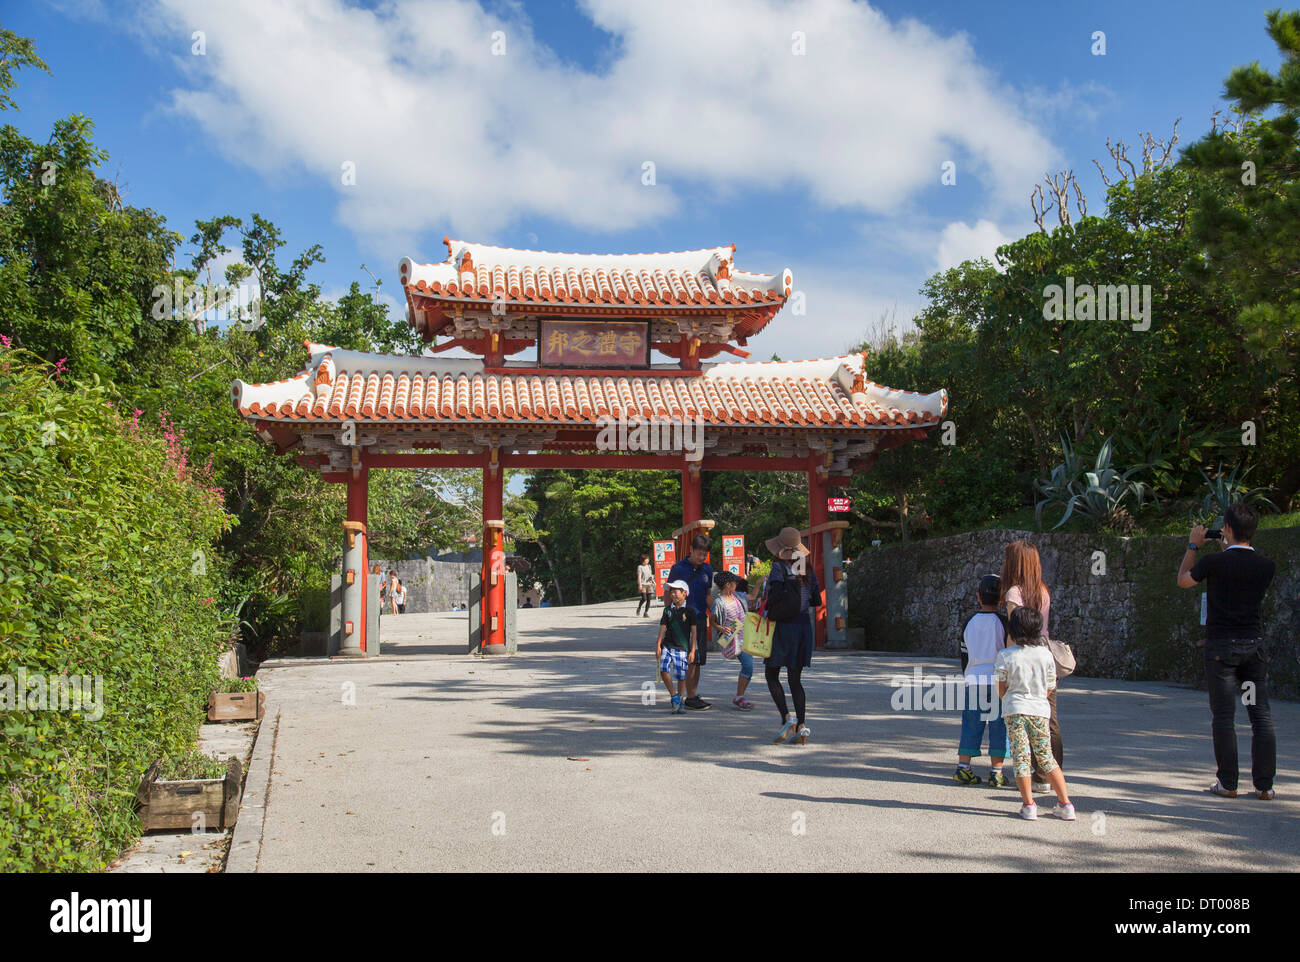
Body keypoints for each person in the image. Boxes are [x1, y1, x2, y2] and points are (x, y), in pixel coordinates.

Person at [1178, 502, 1277, 800]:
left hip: (1222, 652)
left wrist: (1193, 545)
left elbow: (1183, 580)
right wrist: (1229, 547)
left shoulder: (1213, 563)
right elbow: (1239, 570)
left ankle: (1228, 782)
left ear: (1228, 529)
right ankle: (1264, 785)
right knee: (1259, 715)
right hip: (1252, 652)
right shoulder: (1265, 566)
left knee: (1224, 716)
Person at [995, 606, 1075, 821]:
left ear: (1012, 630)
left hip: (1014, 710)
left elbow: (1001, 688)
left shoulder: (1005, 656)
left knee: (1021, 757)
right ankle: (1065, 804)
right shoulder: (1046, 656)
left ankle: (1029, 805)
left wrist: (1010, 697)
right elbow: (1050, 687)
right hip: (1040, 711)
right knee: (1046, 757)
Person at [1000, 540, 1060, 793]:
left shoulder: (1014, 592)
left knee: (1021, 717)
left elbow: (1015, 631)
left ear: (1015, 564)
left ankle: (1029, 773)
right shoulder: (1043, 590)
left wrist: (1007, 661)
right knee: (1048, 715)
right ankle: (1049, 772)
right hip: (1044, 654)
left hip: (1022, 657)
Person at [761, 526, 819, 744]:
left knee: (771, 673)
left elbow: (774, 597)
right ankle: (802, 725)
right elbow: (815, 600)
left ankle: (787, 718)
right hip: (803, 627)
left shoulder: (779, 568)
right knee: (795, 679)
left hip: (783, 627)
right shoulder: (808, 569)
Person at [955, 574, 1009, 787]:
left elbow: (964, 652)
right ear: (1001, 599)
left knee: (971, 724)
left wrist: (966, 674)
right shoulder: (1003, 623)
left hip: (974, 679)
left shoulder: (969, 622)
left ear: (978, 597)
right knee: (999, 725)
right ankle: (996, 772)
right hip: (998, 681)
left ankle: (964, 768)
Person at [667, 533, 714, 710]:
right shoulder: (678, 569)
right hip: (682, 621)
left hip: (700, 619)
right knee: (686, 659)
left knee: (698, 659)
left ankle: (692, 695)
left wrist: (717, 609)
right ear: (691, 550)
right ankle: (683, 695)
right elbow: (668, 594)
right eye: (699, 553)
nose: (701, 557)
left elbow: (708, 595)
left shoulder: (707, 570)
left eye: (705, 554)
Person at [712, 570, 754, 710]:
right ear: (728, 585)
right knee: (748, 665)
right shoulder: (719, 602)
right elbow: (712, 620)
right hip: (733, 639)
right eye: (734, 583)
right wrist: (721, 628)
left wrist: (759, 583)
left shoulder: (737, 597)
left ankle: (740, 695)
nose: (736, 584)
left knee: (749, 667)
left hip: (745, 636)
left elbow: (752, 597)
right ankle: (739, 697)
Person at [655, 580, 697, 715]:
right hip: (667, 645)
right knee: (663, 669)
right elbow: (662, 628)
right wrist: (658, 645)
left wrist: (692, 650)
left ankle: (681, 699)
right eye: (671, 591)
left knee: (681, 675)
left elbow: (694, 632)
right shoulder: (667, 610)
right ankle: (674, 696)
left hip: (682, 647)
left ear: (684, 593)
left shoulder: (690, 611)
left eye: (675, 591)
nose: (672, 594)